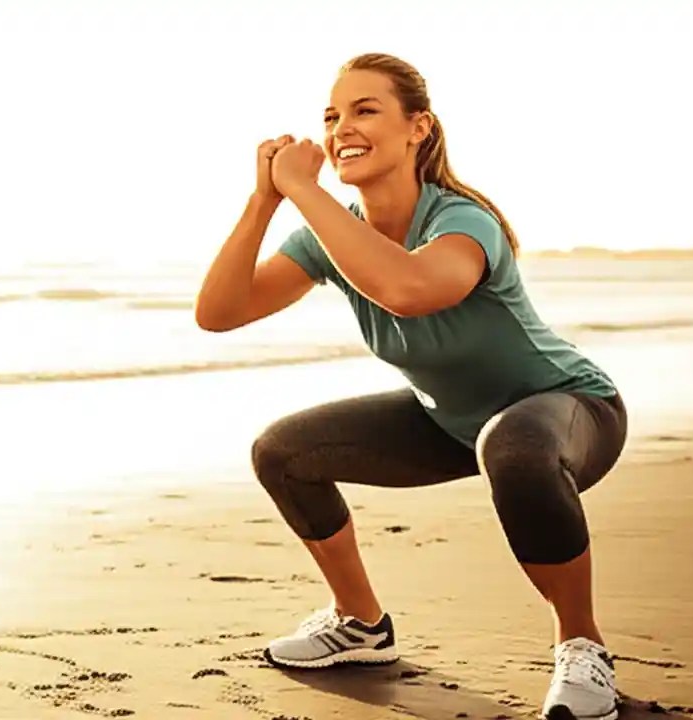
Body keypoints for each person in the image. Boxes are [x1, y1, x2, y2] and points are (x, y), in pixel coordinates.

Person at [194, 53, 626, 720]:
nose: (342, 129)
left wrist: (305, 190)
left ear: (417, 127)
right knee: (282, 452)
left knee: (511, 448)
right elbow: (219, 313)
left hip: (568, 408)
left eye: (366, 110)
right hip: (452, 423)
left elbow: (408, 290)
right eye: (332, 116)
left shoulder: (461, 220)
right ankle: (361, 624)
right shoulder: (329, 237)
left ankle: (582, 645)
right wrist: (264, 199)